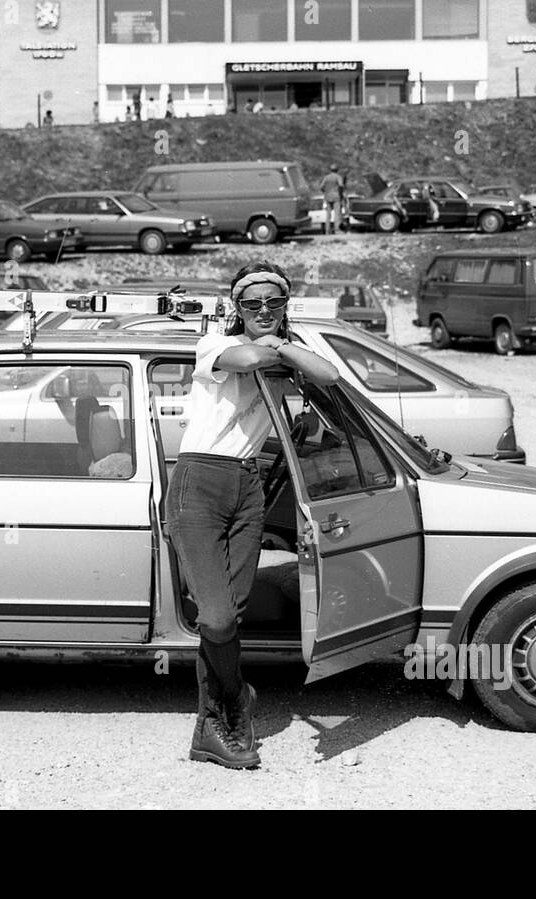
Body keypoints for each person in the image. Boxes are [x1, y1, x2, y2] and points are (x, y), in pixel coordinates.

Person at [167, 261, 339, 770]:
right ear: (236, 309)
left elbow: (328, 377)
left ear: (286, 305)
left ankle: (212, 729)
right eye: (252, 303)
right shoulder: (215, 346)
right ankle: (238, 697)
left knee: (231, 617)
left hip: (248, 485)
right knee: (215, 616)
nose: (263, 311)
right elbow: (243, 359)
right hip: (198, 483)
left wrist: (285, 346)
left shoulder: (280, 348)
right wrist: (282, 346)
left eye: (274, 303)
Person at [319, 164, 344, 235]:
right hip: (336, 196)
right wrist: (340, 192)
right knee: (337, 214)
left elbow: (321, 187)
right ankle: (337, 230)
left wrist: (326, 192)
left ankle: (327, 231)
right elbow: (341, 185)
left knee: (328, 215)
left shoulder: (326, 177)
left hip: (327, 197)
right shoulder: (338, 177)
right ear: (337, 170)